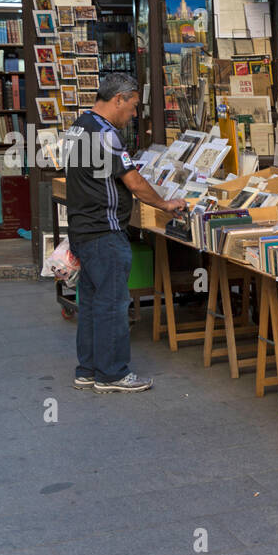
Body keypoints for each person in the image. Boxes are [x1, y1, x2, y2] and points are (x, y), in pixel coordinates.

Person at [65, 73, 185, 393]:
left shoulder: (79, 126)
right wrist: (164, 203)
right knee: (114, 303)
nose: (133, 115)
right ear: (118, 99)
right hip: (104, 232)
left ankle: (88, 370)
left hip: (83, 230)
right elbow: (134, 183)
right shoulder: (105, 134)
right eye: (132, 106)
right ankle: (112, 373)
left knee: (92, 302)